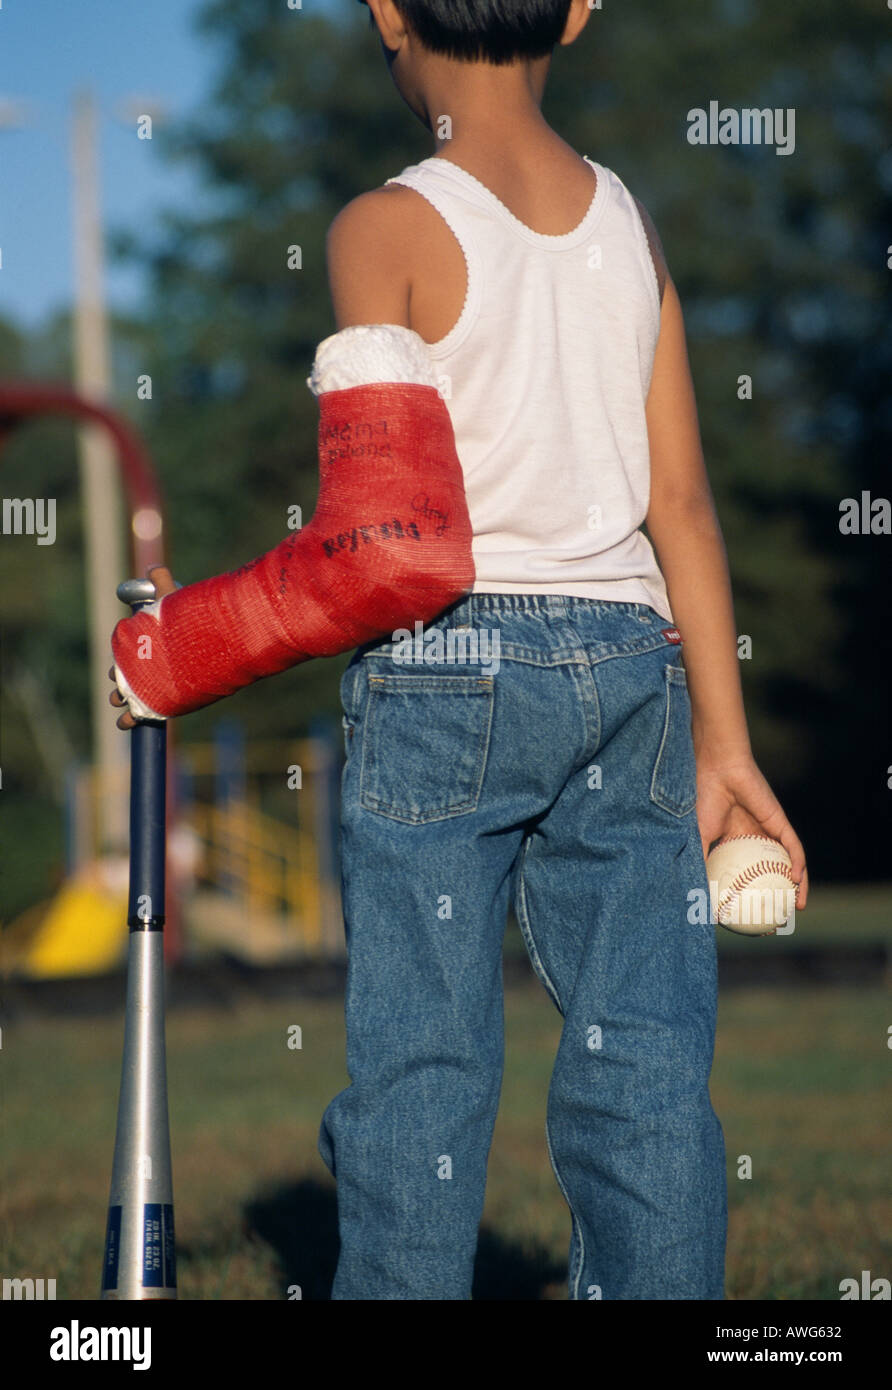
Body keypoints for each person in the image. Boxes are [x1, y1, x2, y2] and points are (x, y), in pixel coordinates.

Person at [111, 0, 808, 1300]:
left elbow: (388, 547)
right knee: (648, 1062)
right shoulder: (628, 224)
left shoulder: (384, 226)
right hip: (634, 669)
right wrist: (728, 741)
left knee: (423, 1067)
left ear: (385, 7)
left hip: (452, 672)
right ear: (583, 7)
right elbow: (686, 507)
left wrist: (180, 647)